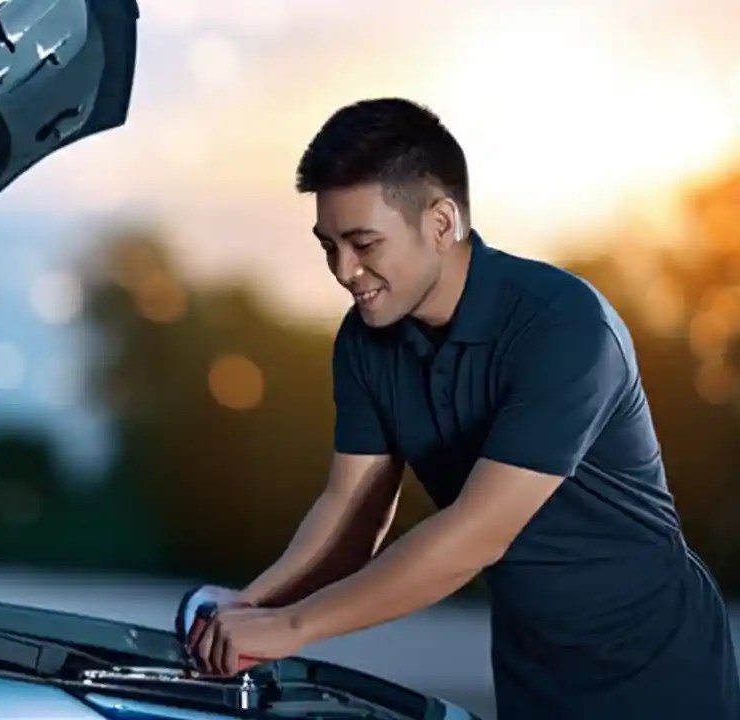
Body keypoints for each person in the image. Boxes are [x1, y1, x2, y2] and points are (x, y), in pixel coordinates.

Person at [185, 97, 740, 719]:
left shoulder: (564, 327)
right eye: (329, 246)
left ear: (442, 222)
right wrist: (247, 611)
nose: (345, 271)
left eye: (364, 243)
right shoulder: (365, 341)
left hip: (662, 671)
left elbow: (474, 537)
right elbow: (350, 511)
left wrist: (290, 629)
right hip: (533, 670)